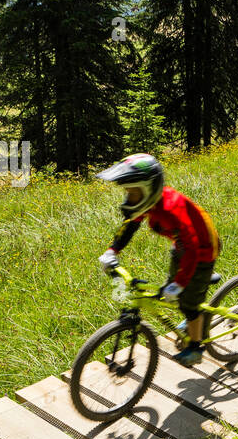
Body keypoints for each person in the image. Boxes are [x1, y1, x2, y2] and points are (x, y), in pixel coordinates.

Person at [95, 153, 222, 366]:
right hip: (181, 247)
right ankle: (192, 301)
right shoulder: (149, 202)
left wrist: (180, 284)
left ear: (149, 189)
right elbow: (131, 225)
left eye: (133, 192)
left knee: (189, 303)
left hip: (202, 250)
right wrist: (112, 251)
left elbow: (191, 250)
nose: (130, 197)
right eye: (128, 193)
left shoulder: (171, 209)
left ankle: (195, 348)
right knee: (170, 290)